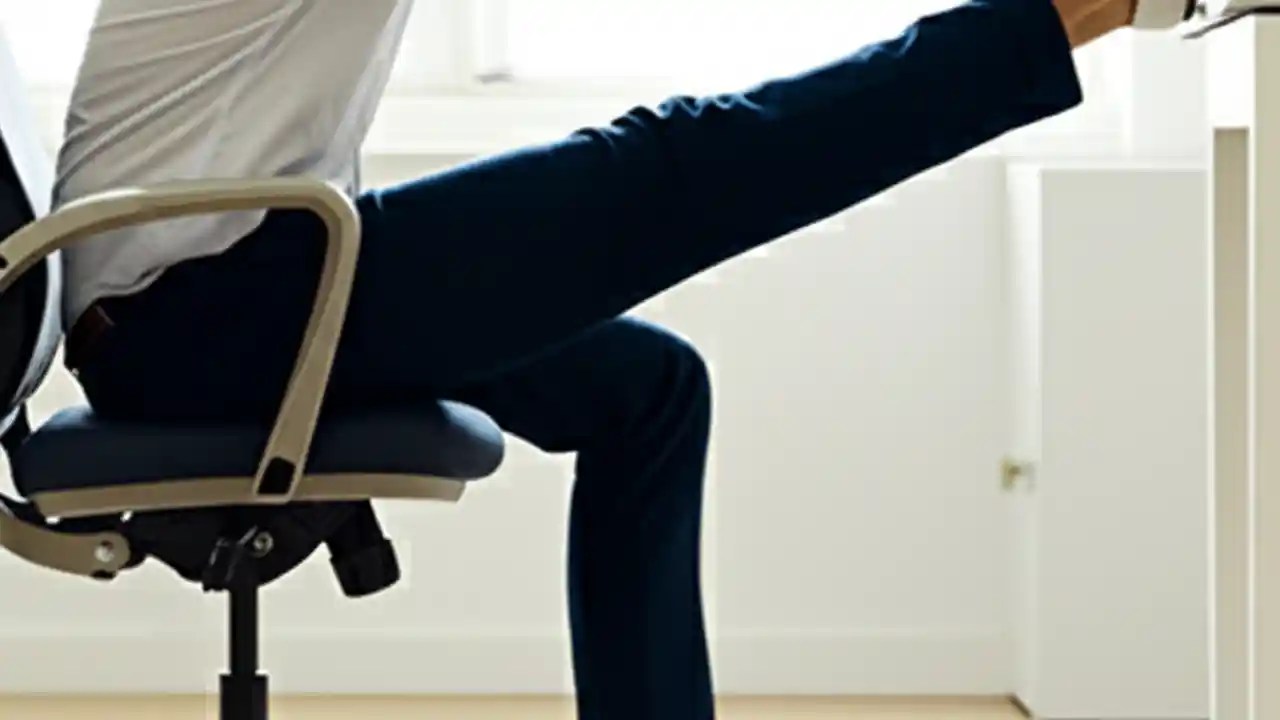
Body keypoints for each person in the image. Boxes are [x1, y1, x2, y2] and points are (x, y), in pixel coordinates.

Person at [52, 0, 1191, 717]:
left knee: (647, 387)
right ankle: (1054, 19)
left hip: (245, 281)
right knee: (672, 162)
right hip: (205, 305)